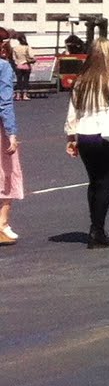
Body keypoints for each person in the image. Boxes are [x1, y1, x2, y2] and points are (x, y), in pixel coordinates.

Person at [65, 39, 109, 249]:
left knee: (94, 181)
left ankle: (95, 226)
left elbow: (73, 109)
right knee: (106, 181)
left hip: (85, 134)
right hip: (108, 133)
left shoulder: (81, 79)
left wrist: (70, 137)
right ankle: (98, 230)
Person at [0, 33, 22, 244]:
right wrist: (11, 134)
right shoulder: (3, 66)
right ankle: (2, 223)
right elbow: (5, 103)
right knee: (7, 173)